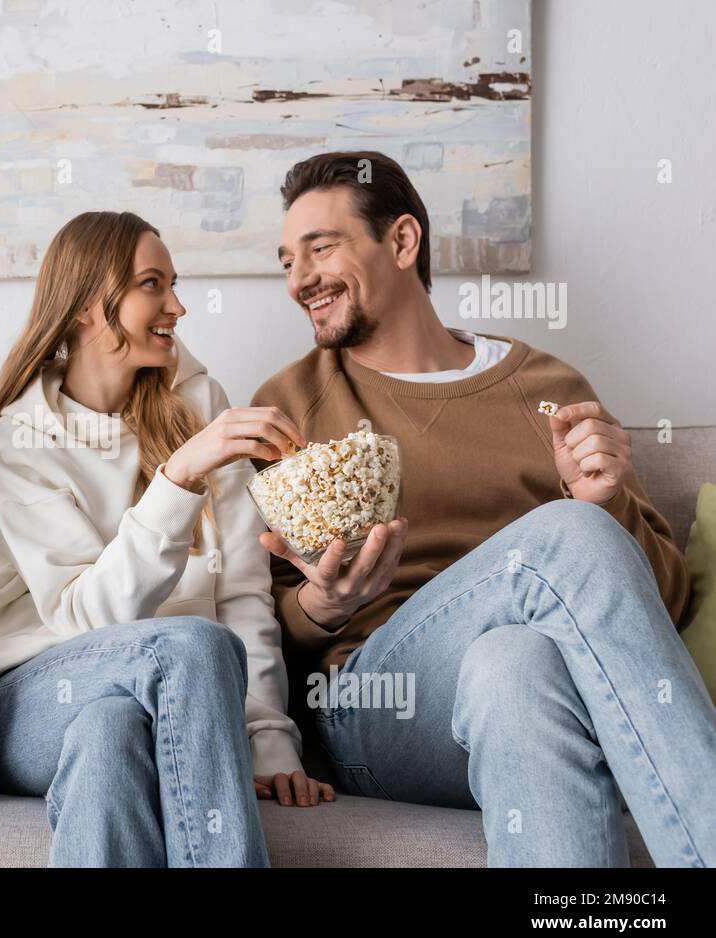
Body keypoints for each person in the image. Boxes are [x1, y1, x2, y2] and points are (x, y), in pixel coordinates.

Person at [254, 150, 714, 866]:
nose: (299, 280)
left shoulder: (547, 385)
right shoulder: (285, 407)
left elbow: (663, 602)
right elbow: (252, 620)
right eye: (287, 260)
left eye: (321, 249)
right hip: (378, 707)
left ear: (403, 242)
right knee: (565, 535)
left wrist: (606, 501)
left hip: (542, 691)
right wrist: (320, 607)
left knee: (514, 663)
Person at [0, 211, 333, 868]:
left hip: (152, 706)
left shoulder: (201, 406)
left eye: (174, 283)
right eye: (153, 284)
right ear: (88, 306)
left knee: (111, 733)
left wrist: (268, 740)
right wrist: (179, 476)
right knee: (191, 642)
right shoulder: (18, 442)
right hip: (30, 694)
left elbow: (241, 594)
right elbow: (87, 616)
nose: (177, 306)